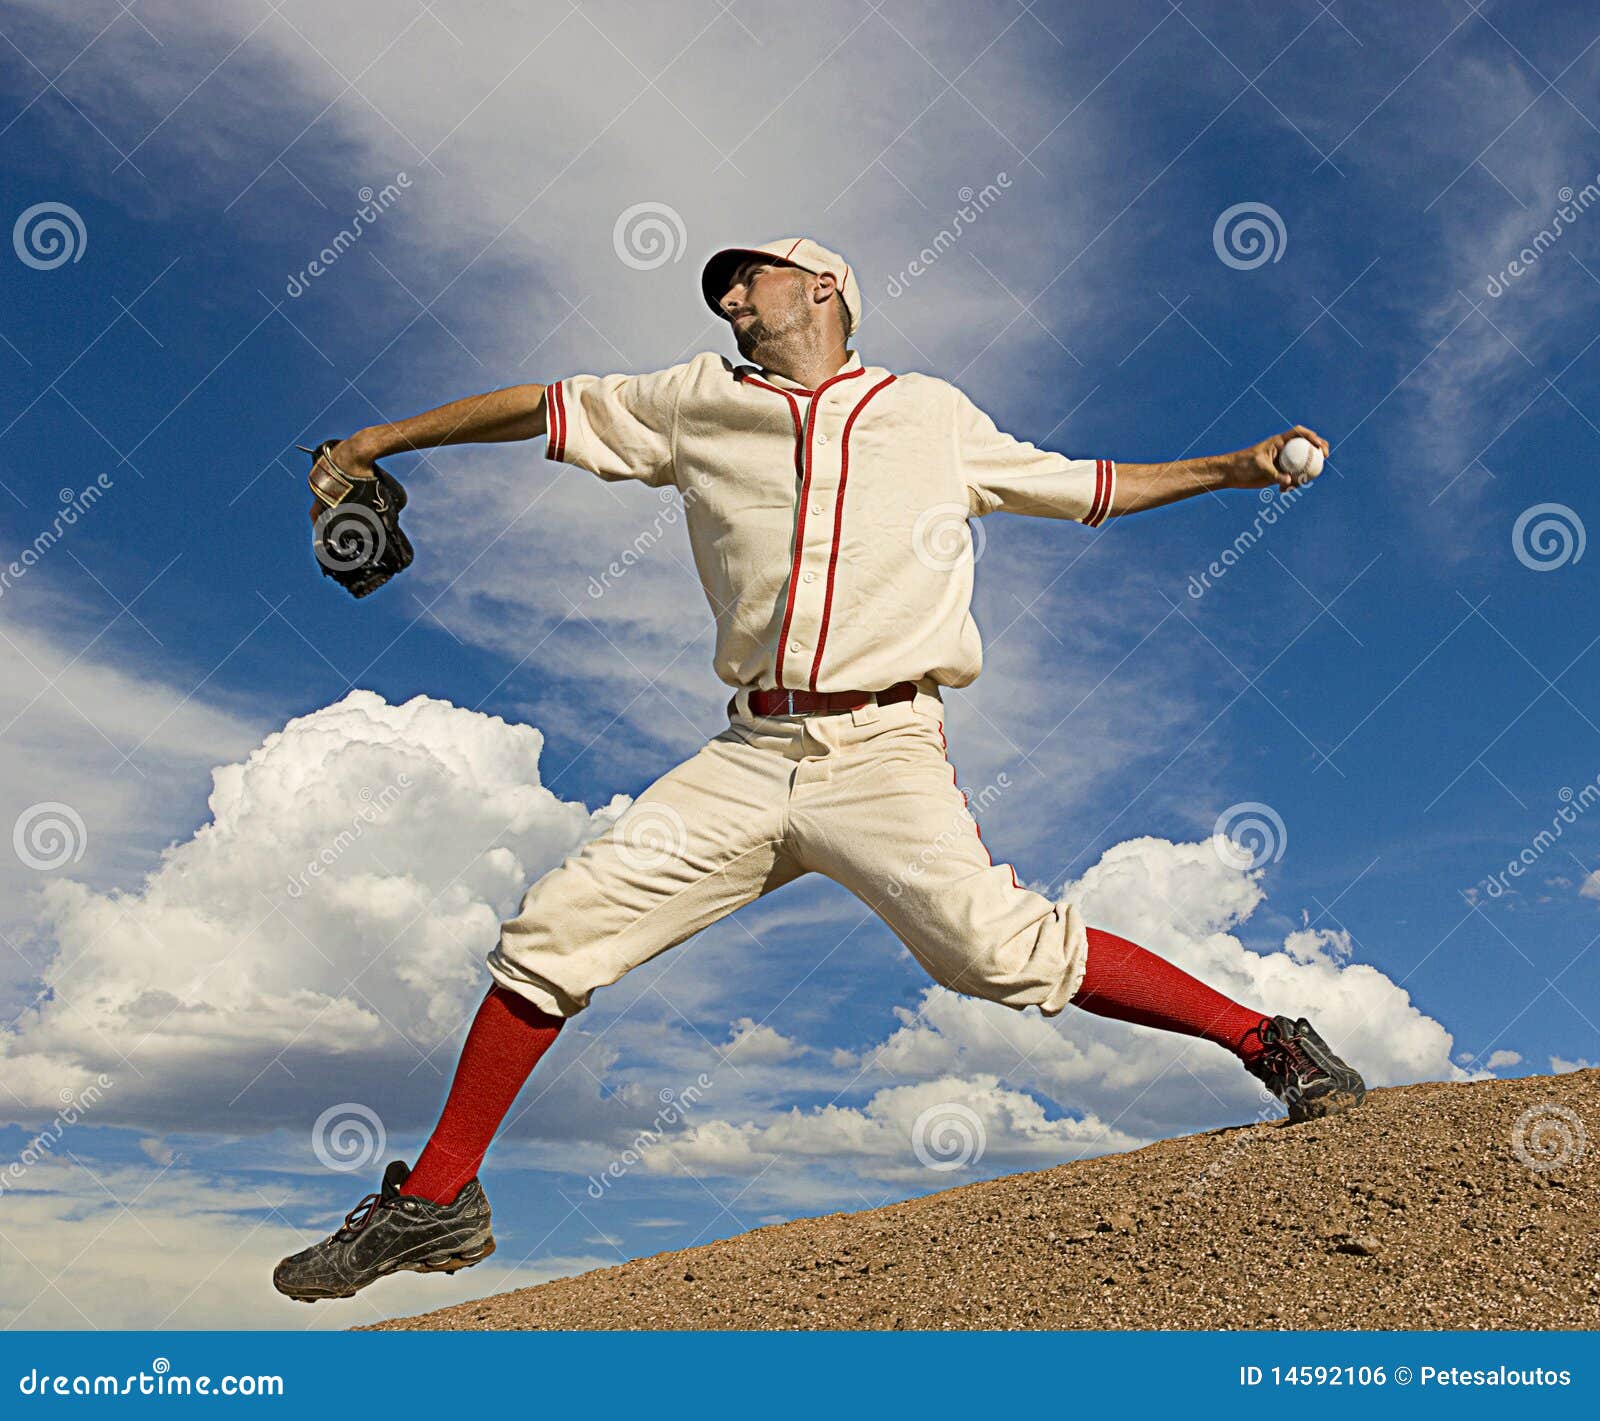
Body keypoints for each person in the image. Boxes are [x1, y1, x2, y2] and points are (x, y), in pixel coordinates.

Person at [273, 237, 1365, 1303]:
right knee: (554, 928)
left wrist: (1230, 469)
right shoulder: (695, 396)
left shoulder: (931, 414)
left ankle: (1267, 1038)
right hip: (748, 752)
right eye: (724, 289)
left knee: (996, 950)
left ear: (826, 286)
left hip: (884, 748)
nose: (733, 297)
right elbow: (539, 405)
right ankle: (438, 1193)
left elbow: (1087, 485)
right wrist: (376, 438)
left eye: (752, 275)